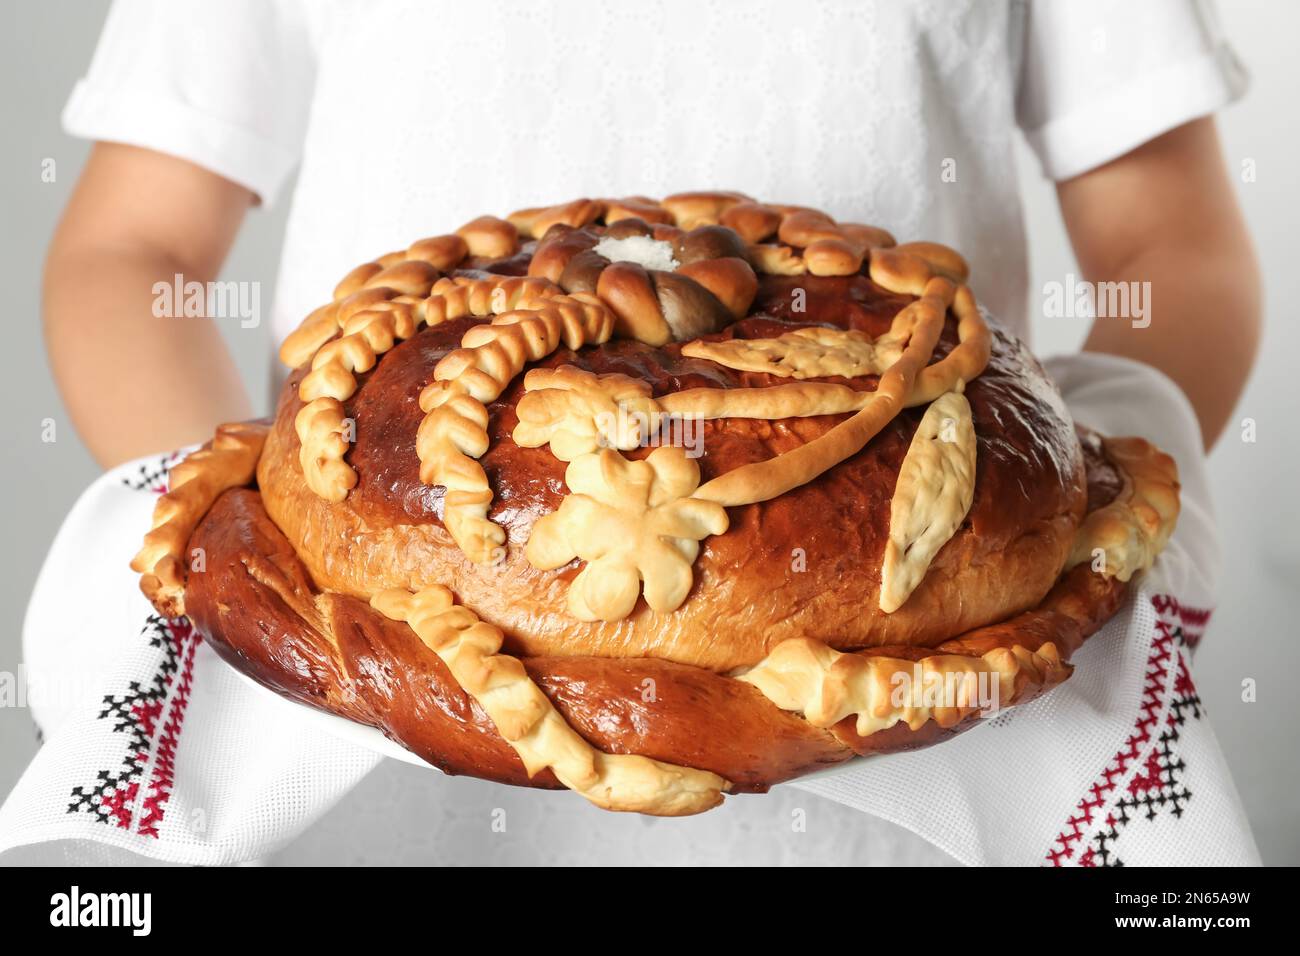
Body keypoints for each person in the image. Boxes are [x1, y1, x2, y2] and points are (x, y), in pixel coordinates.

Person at [40, 0, 1261, 865]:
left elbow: (1169, 243)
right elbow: (136, 252)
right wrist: (264, 567)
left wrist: (1050, 536)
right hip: (367, 787)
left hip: (936, 784)